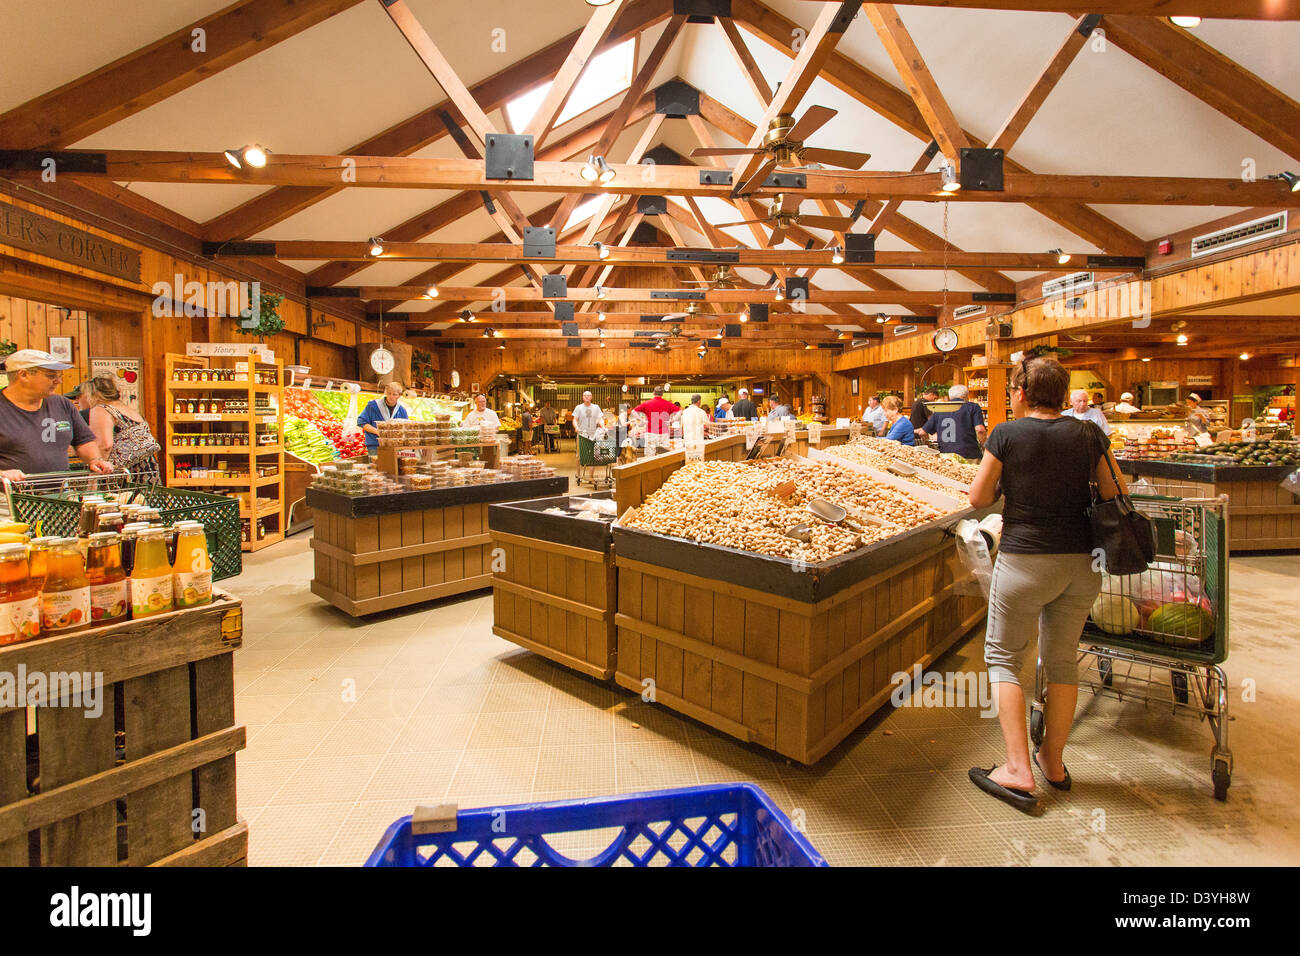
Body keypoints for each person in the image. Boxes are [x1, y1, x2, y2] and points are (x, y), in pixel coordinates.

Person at [966, 356, 1125, 813]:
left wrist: (1012, 487)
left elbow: (978, 497)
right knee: (1061, 660)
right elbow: (1116, 492)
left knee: (1003, 657)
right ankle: (1052, 761)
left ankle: (1018, 768)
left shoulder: (1006, 434)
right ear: (1063, 394)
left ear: (1021, 393)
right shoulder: (1089, 433)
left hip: (1025, 561)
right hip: (1082, 561)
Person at [0, 349, 113, 481]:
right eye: (51, 376)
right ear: (24, 375)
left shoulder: (62, 403)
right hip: (10, 492)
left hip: (60, 490)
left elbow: (83, 440)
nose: (58, 381)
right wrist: (2, 473)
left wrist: (95, 459)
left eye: (60, 376)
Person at [82, 376, 161, 483]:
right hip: (149, 468)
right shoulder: (128, 409)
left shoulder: (101, 409)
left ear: (92, 394)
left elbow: (104, 445)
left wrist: (94, 478)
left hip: (125, 473)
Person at [917, 384, 986, 460]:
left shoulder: (940, 409)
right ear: (966, 396)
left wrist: (929, 445)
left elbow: (922, 433)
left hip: (945, 456)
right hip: (969, 455)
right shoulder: (973, 407)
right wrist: (984, 449)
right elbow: (980, 430)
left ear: (950, 396)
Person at [357, 381, 409, 453]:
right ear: (385, 392)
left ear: (399, 395)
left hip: (395, 448)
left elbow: (406, 430)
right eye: (389, 393)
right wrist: (378, 432)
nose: (391, 396)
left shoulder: (402, 410)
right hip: (375, 446)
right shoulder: (373, 406)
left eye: (394, 394)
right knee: (375, 461)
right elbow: (361, 422)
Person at [633, 386, 680, 452]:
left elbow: (633, 412)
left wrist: (642, 420)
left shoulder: (646, 403)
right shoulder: (668, 404)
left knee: (650, 454)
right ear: (662, 394)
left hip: (650, 433)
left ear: (653, 393)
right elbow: (680, 411)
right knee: (664, 454)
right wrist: (672, 421)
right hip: (664, 434)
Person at [572, 391, 604, 482]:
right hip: (581, 434)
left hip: (593, 434)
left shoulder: (596, 407)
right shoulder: (578, 407)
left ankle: (591, 477)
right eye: (585, 395)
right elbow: (575, 419)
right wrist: (576, 427)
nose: (587, 397)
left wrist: (603, 426)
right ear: (582, 397)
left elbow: (600, 419)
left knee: (593, 455)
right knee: (579, 455)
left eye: (588, 395)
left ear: (591, 397)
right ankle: (578, 474)